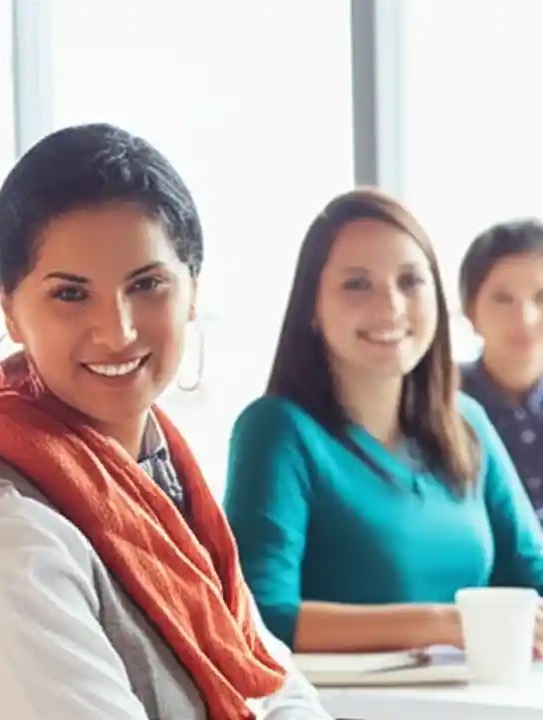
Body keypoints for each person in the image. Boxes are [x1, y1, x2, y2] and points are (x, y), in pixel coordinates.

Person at [0, 124, 329, 719]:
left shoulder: (161, 484)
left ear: (193, 290)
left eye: (147, 285)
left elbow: (275, 690)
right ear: (9, 308)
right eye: (70, 295)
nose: (117, 331)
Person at [225, 190, 543, 654]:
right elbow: (259, 615)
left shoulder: (467, 423)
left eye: (411, 281)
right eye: (357, 285)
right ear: (312, 306)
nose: (391, 306)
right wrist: (445, 623)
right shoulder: (276, 430)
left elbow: (532, 573)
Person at [458, 219, 543, 522]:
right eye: (503, 299)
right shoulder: (440, 401)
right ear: (471, 311)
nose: (526, 318)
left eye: (541, 298)